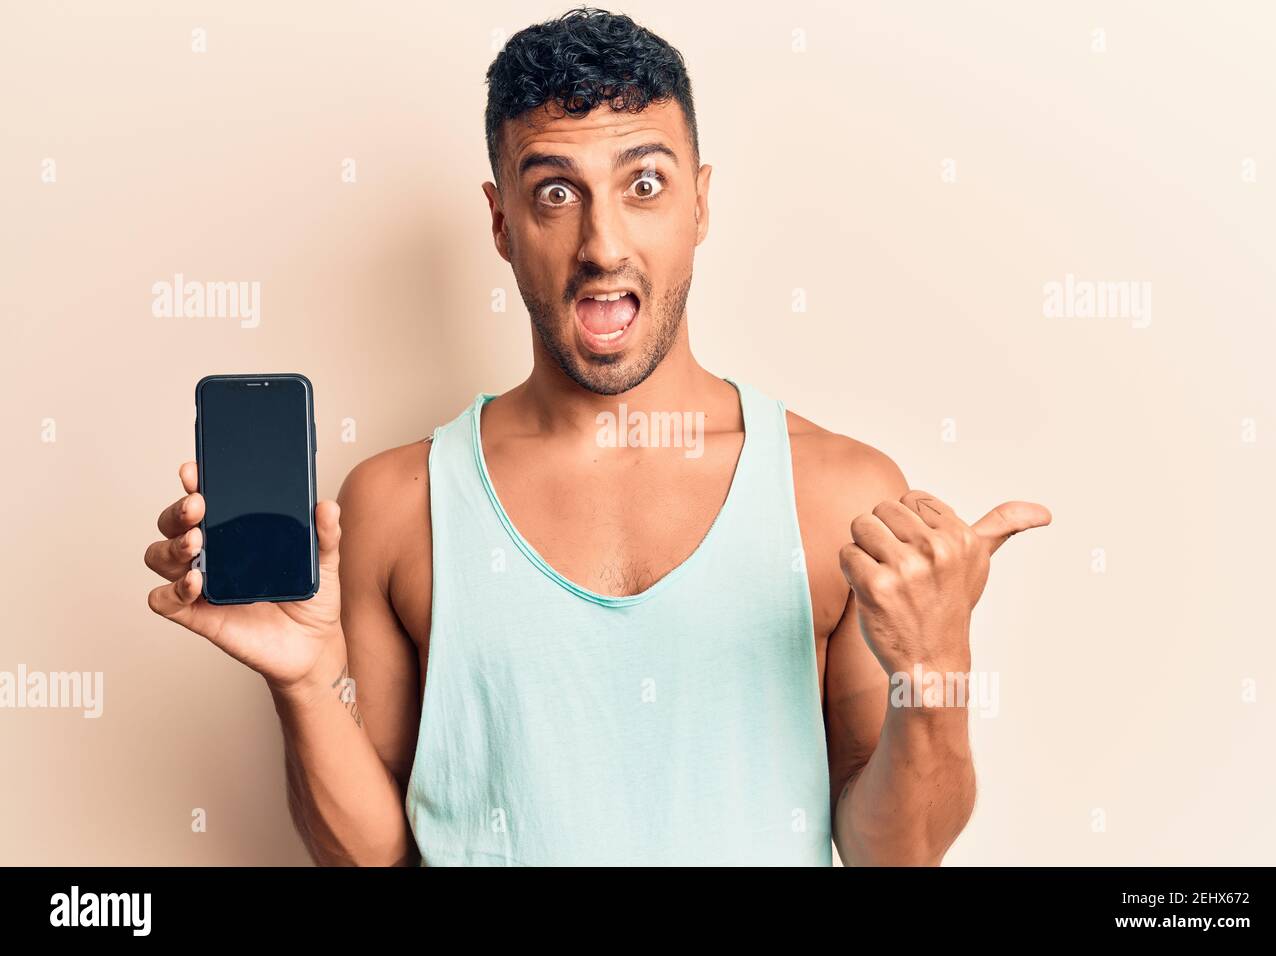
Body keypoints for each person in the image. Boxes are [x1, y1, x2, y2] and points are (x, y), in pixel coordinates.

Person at [145, 6, 1050, 866]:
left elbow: (897, 854)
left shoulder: (837, 496)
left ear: (700, 206)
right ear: (501, 223)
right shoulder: (397, 505)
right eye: (556, 194)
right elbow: (371, 856)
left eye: (644, 185)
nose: (603, 245)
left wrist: (936, 669)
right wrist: (305, 684)